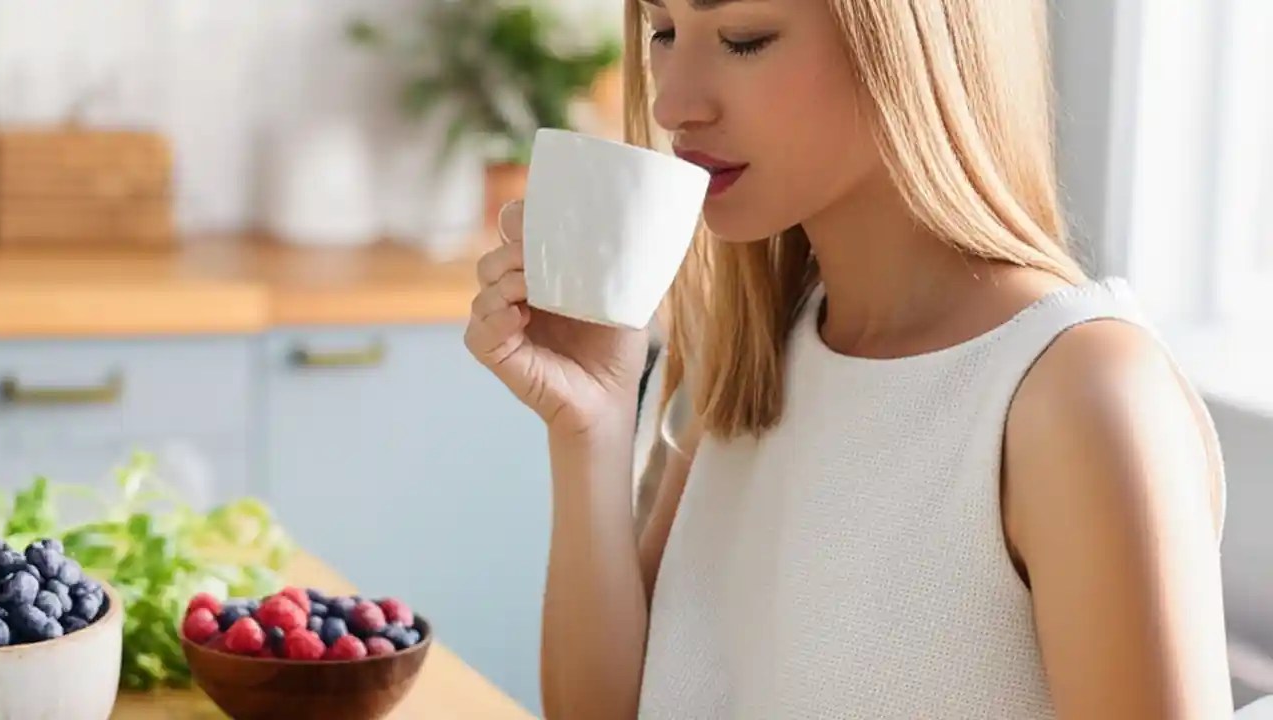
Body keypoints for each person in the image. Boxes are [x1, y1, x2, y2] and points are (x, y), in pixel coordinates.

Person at [463, 0, 1233, 717]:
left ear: (906, 39)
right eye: (663, 31)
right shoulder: (757, 351)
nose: (673, 104)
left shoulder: (1080, 394)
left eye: (744, 38)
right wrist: (589, 428)